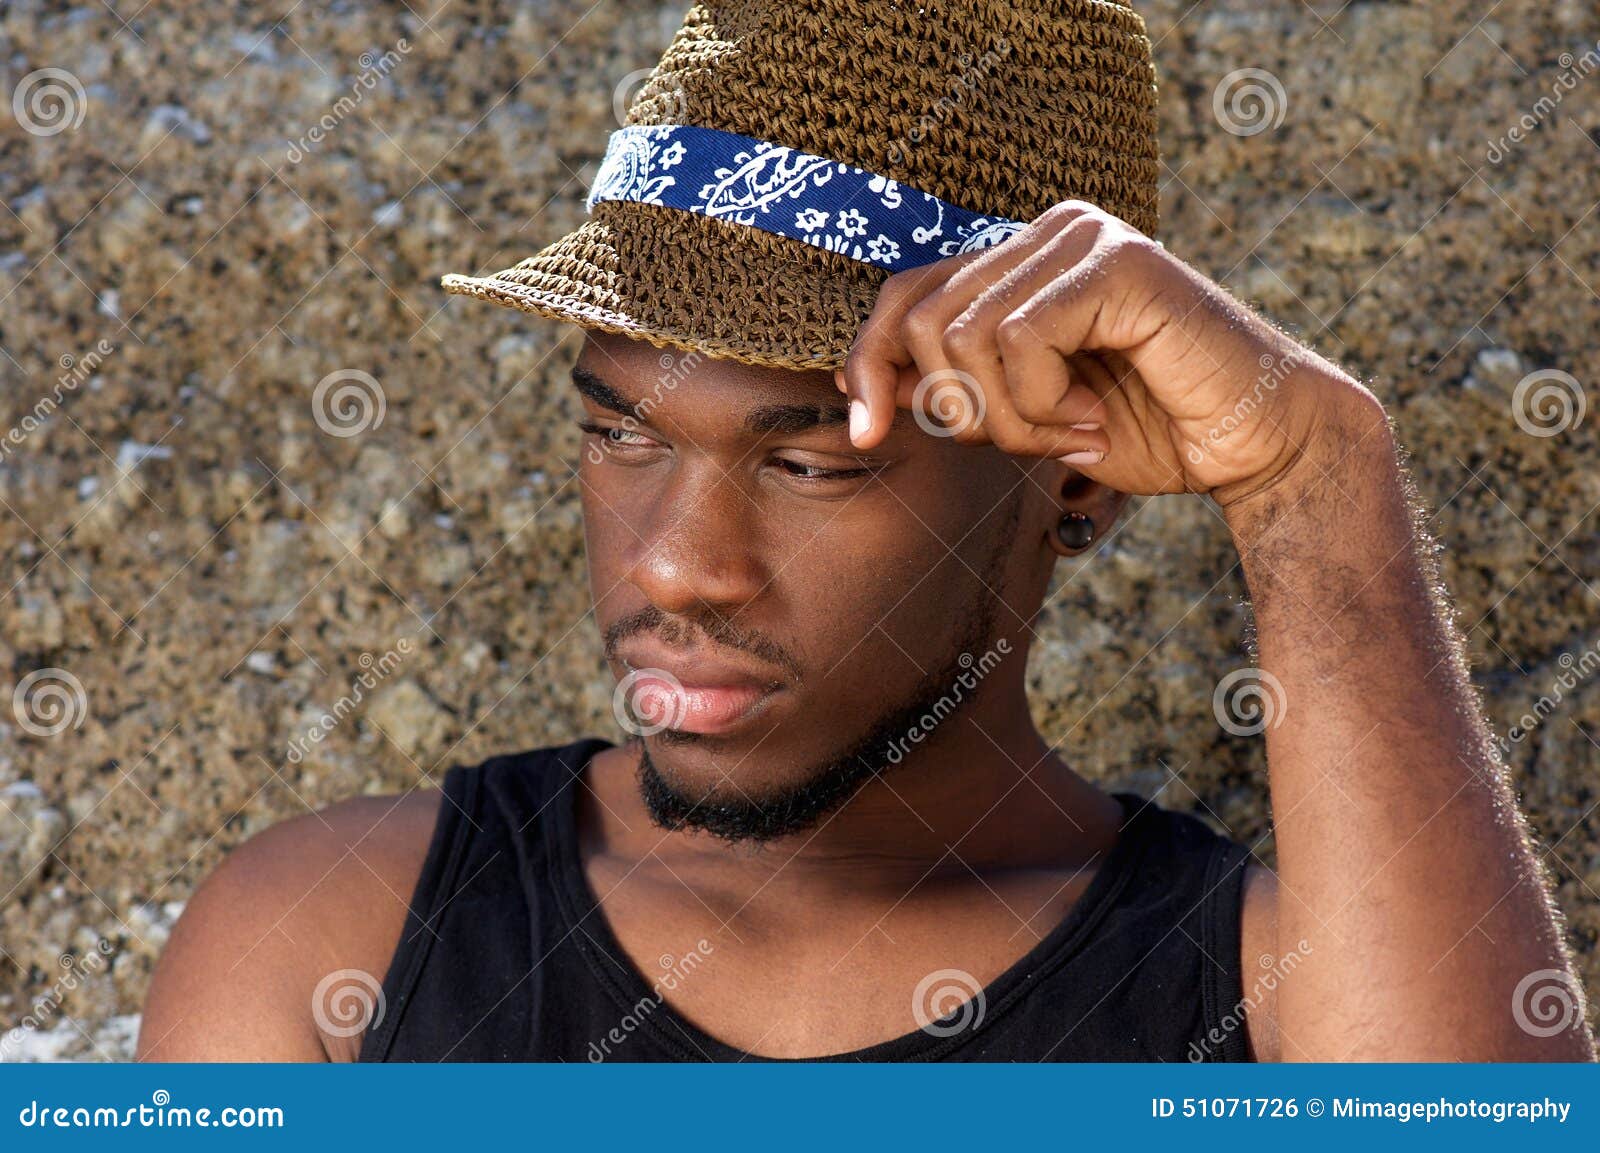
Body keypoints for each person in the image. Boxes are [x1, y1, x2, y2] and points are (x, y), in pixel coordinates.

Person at [139, 0, 1594, 1062]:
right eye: (619, 432)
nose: (672, 565)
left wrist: (1312, 478)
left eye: (815, 461)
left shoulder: (1269, 997)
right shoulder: (337, 947)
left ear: (1072, 479)